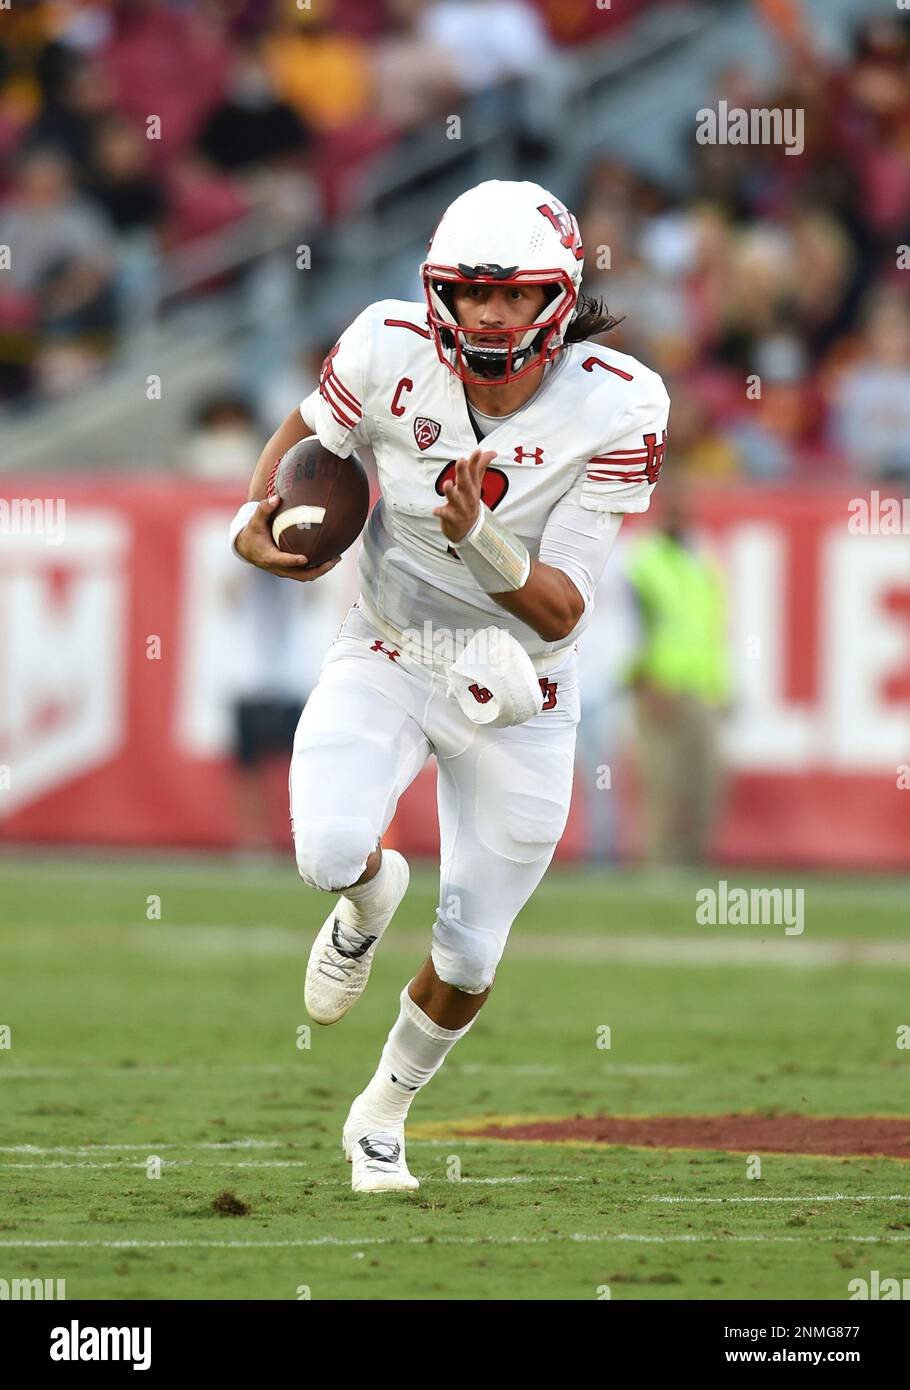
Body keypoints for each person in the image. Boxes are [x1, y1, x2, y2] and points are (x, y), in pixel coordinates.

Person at [229, 179, 670, 1192]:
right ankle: (368, 897)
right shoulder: (386, 344)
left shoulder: (619, 398)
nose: (484, 314)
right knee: (331, 847)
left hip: (524, 685)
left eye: (509, 295)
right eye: (467, 293)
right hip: (389, 640)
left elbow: (563, 611)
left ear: (553, 300)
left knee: (470, 953)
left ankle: (382, 1112)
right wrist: (257, 519)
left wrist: (479, 535)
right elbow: (307, 443)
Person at [625, 485, 730, 867]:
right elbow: (628, 626)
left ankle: (692, 870)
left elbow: (711, 629)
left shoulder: (701, 558)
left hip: (703, 689)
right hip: (661, 690)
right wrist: (643, 680)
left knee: (703, 789)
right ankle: (661, 872)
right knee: (664, 792)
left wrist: (722, 687)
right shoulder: (642, 559)